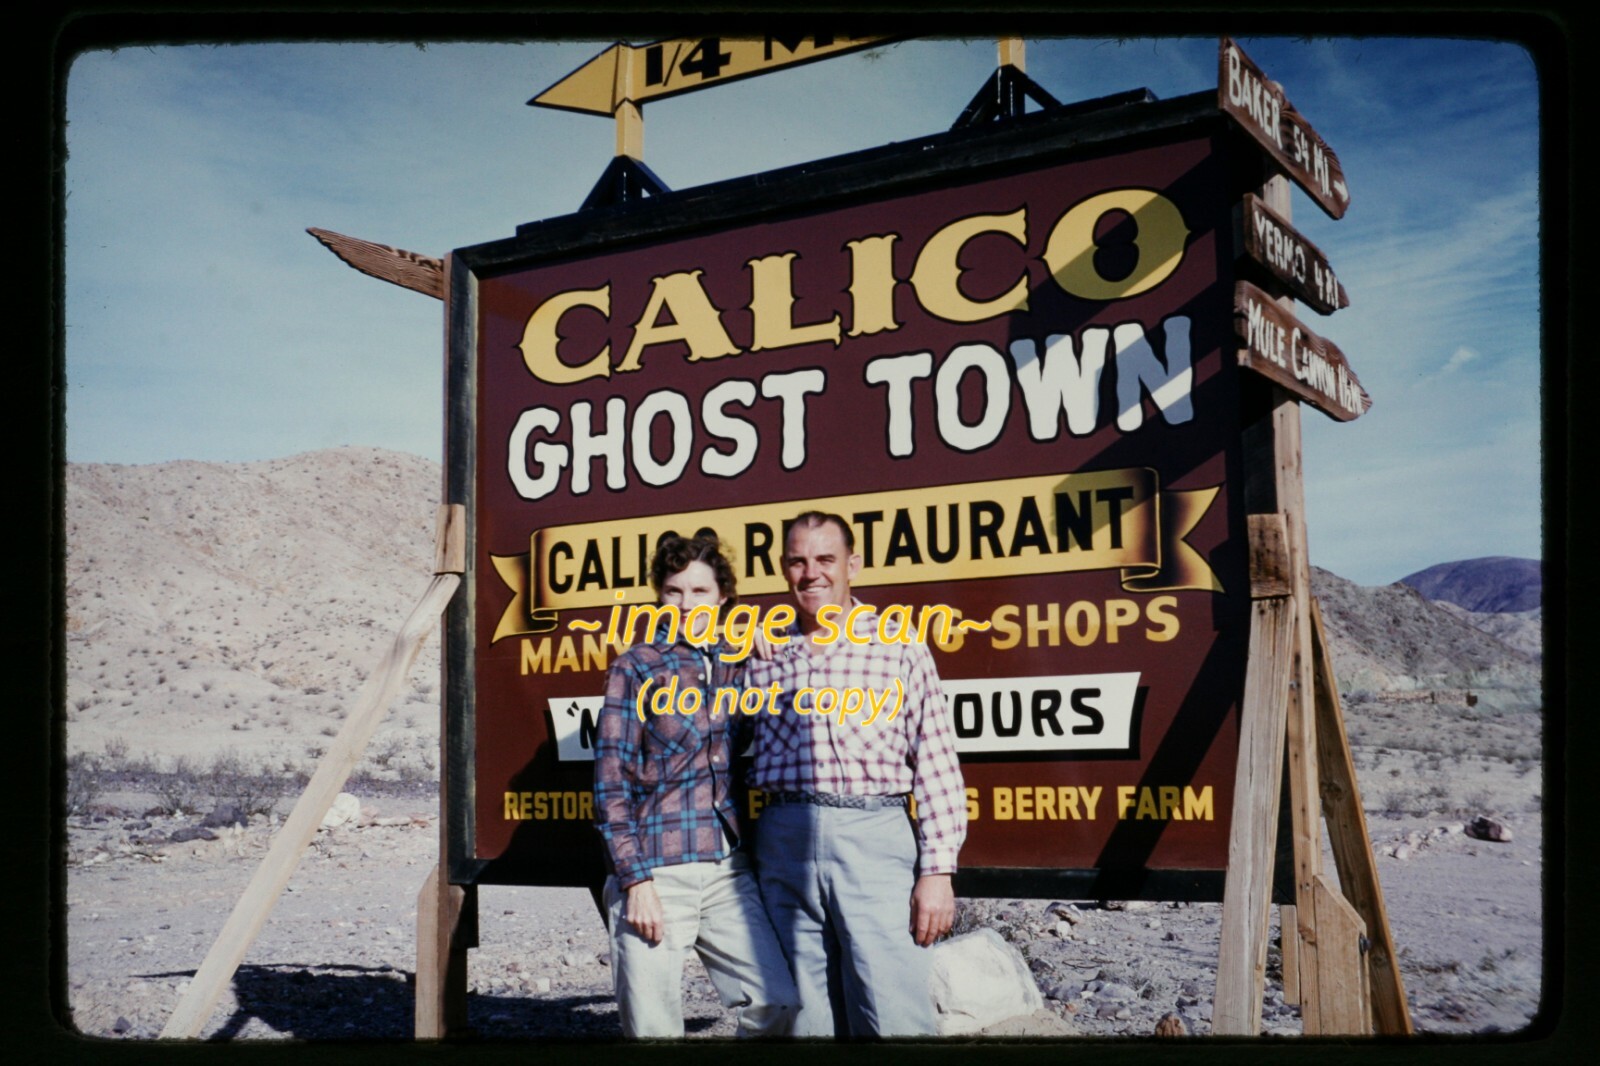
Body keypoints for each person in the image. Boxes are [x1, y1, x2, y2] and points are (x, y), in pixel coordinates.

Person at [746, 511, 967, 1037]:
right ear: (783, 569)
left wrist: (937, 871)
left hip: (875, 836)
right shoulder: (760, 653)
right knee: (800, 1016)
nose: (811, 573)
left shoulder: (899, 647)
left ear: (853, 565)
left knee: (892, 1011)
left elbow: (935, 760)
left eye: (825, 559)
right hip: (784, 836)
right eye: (798, 561)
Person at [593, 532, 798, 1038]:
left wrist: (757, 649)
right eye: (673, 591)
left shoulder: (738, 662)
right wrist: (634, 882)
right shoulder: (636, 667)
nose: (686, 605)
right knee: (654, 1029)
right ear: (658, 596)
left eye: (700, 592)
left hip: (727, 869)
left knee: (780, 1005)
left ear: (722, 596)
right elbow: (610, 783)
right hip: (656, 870)